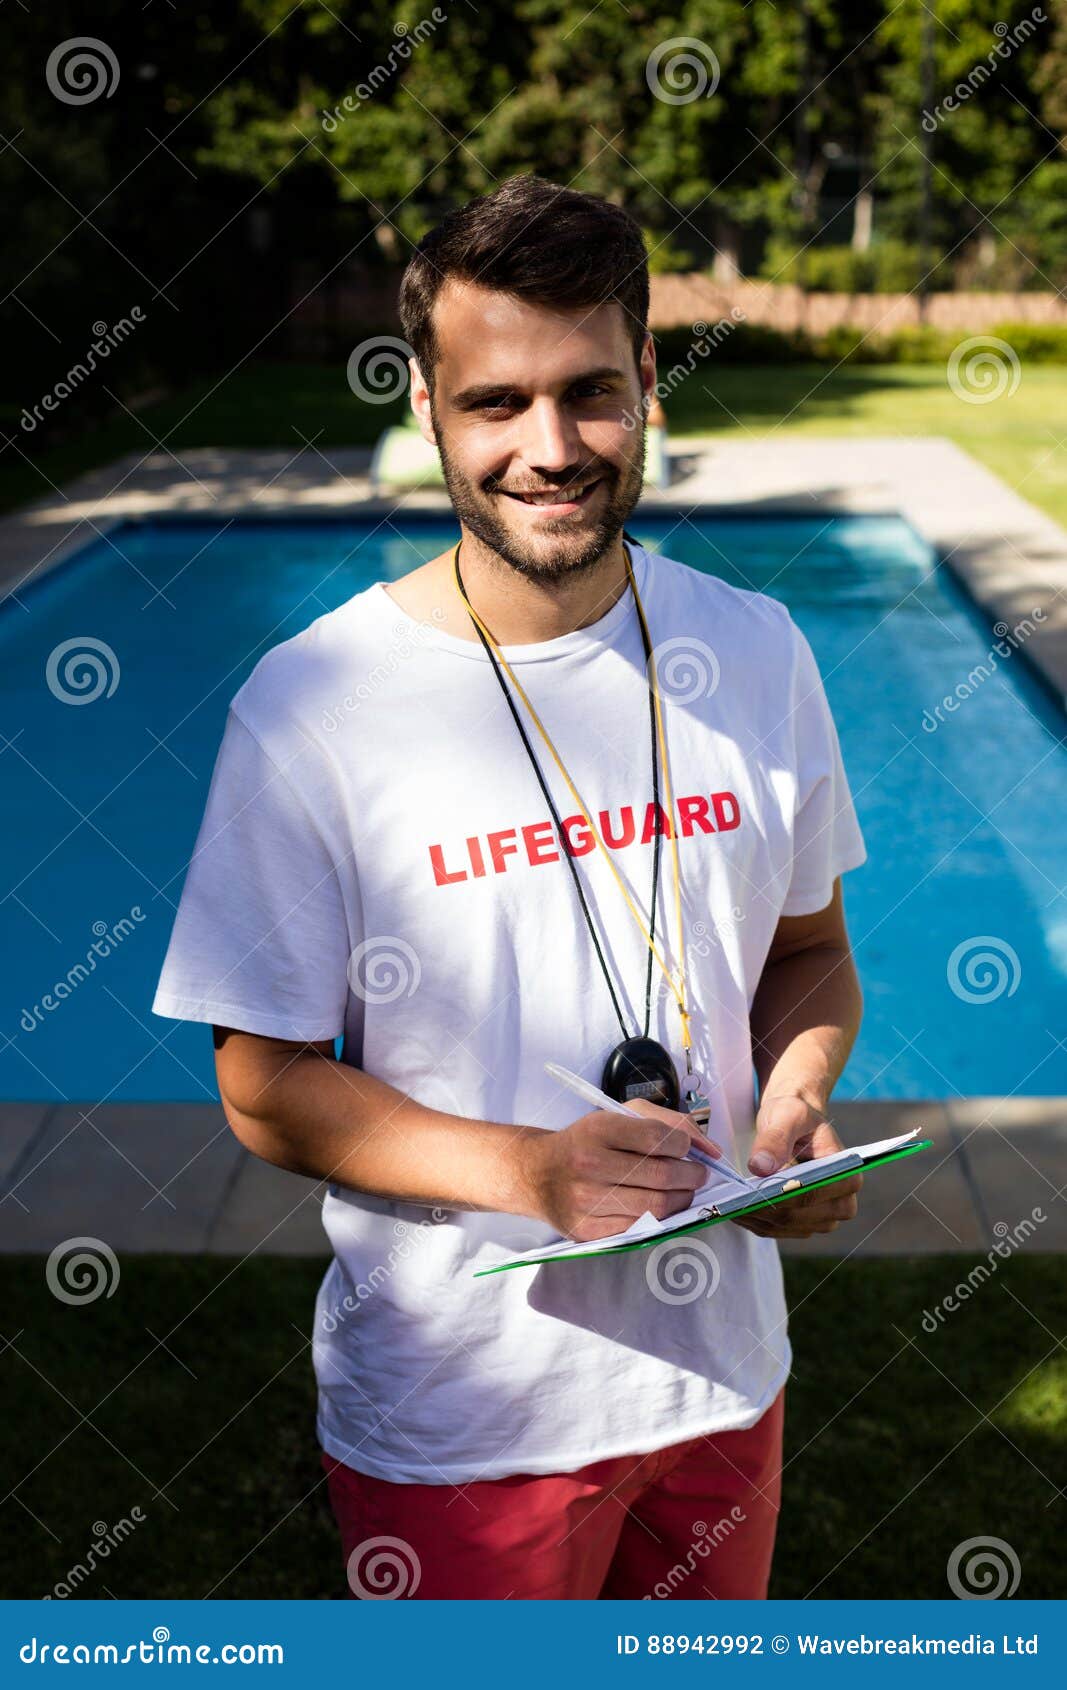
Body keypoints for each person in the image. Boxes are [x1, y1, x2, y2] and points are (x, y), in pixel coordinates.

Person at [152, 175, 866, 1601]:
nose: (551, 448)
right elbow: (263, 1081)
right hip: (466, 1416)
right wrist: (528, 1172)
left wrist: (790, 1103)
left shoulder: (760, 648)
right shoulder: (314, 704)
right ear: (426, 404)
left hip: (723, 1384)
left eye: (591, 391)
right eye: (496, 402)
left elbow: (810, 953)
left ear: (650, 383)